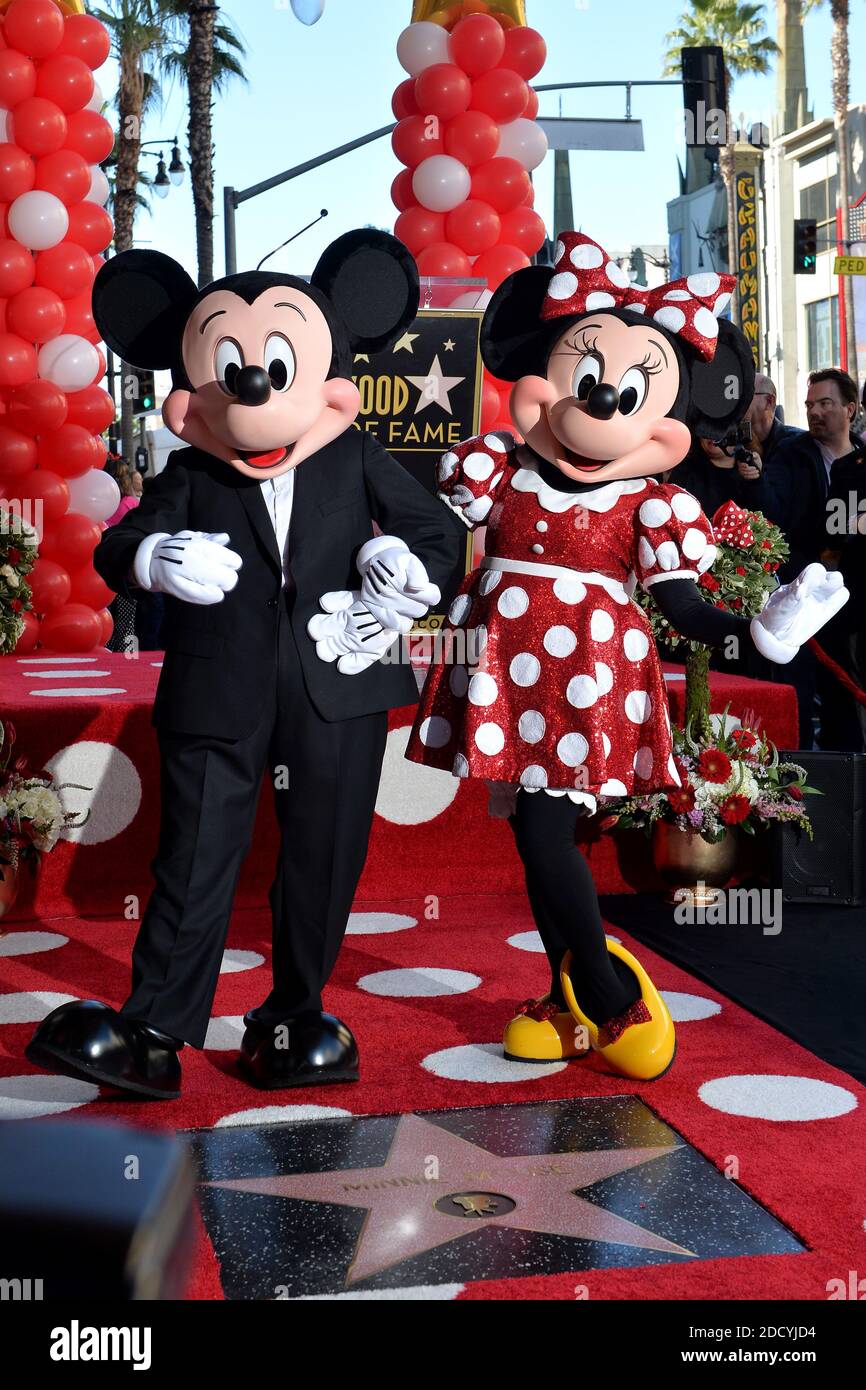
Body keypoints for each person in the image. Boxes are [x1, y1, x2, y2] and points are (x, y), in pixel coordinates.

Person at [26, 231, 464, 1100]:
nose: (254, 381)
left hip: (335, 686)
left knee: (324, 853)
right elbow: (121, 541)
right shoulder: (193, 471)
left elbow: (437, 533)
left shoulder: (353, 455)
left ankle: (297, 1011)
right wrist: (153, 560)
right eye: (229, 362)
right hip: (217, 688)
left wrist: (408, 582)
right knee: (193, 856)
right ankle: (155, 1026)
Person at [406, 232, 847, 1085]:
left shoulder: (653, 503)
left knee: (543, 832)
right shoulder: (502, 467)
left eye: (629, 392)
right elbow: (437, 532)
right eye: (585, 380)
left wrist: (753, 630)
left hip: (585, 682)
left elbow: (680, 605)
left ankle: (612, 998)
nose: (602, 404)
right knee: (538, 836)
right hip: (502, 669)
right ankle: (560, 998)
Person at [105, 464, 141, 654]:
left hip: (103, 564)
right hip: (126, 565)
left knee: (109, 613)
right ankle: (129, 654)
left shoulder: (107, 503)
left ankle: (108, 648)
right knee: (127, 617)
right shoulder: (131, 504)